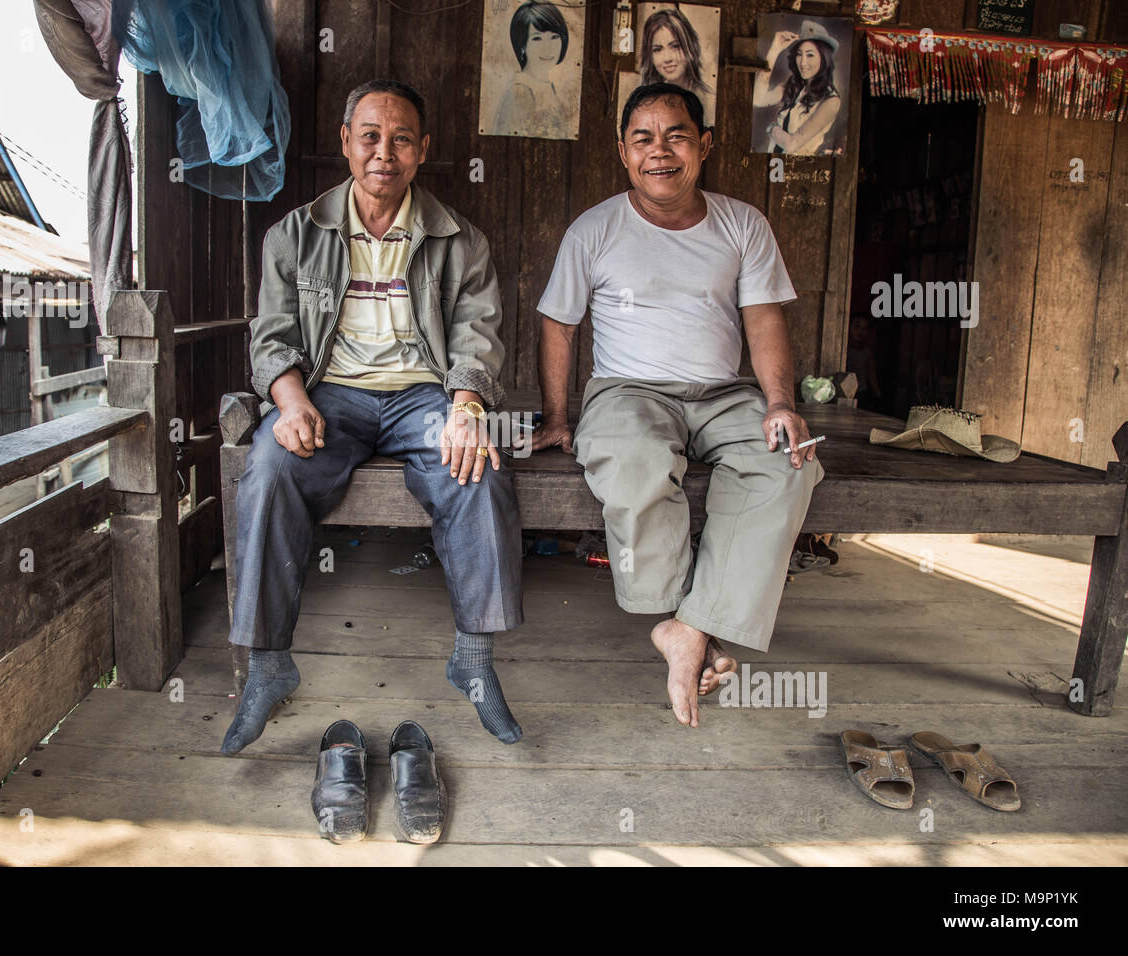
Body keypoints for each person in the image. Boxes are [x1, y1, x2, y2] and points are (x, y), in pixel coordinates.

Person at [222, 79, 525, 755]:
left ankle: (473, 663)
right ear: (345, 143)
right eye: (370, 136)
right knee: (269, 467)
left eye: (401, 139)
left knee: (479, 470)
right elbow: (271, 337)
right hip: (333, 395)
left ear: (423, 151)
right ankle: (268, 666)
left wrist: (467, 406)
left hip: (424, 396)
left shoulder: (459, 240)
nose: (383, 152)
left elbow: (478, 334)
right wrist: (291, 398)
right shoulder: (295, 235)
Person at [530, 82, 823, 728]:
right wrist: (557, 418)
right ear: (623, 152)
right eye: (643, 138)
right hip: (627, 393)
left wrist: (780, 403)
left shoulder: (743, 223)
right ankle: (677, 615)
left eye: (677, 135)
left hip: (723, 395)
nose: (659, 151)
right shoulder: (596, 229)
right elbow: (559, 323)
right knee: (632, 455)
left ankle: (685, 628)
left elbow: (765, 321)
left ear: (705, 145)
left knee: (788, 461)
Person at [753, 20, 842, 156]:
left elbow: (792, 145)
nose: (803, 62)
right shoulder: (794, 86)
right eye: (799, 54)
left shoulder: (831, 101)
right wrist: (775, 49)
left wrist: (772, 129)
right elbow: (757, 99)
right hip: (774, 164)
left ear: (824, 58)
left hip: (799, 169)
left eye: (810, 55)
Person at [491, 1, 572, 138]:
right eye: (537, 39)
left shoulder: (546, 86)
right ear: (522, 45)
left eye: (554, 37)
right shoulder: (521, 91)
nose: (547, 48)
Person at [638, 7, 713, 125]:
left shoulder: (707, 99)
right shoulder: (647, 101)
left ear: (690, 47)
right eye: (657, 50)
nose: (667, 58)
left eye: (675, 46)